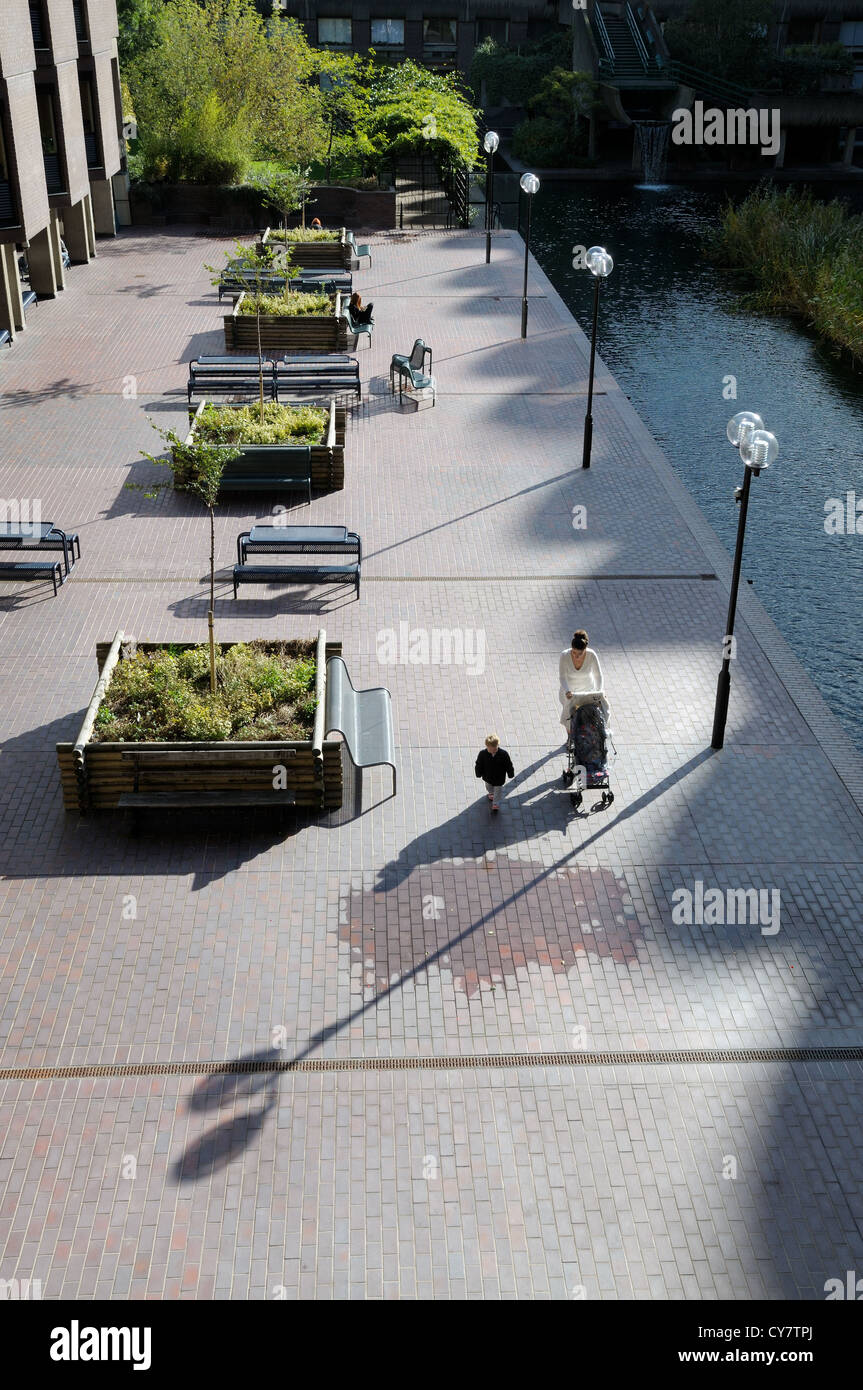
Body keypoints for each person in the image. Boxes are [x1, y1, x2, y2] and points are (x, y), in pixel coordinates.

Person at [559, 629, 611, 733]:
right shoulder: (564, 655)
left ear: (585, 649)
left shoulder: (591, 655)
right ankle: (570, 738)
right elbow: (562, 677)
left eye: (580, 653)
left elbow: (598, 675)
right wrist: (567, 691)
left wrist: (599, 691)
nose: (576, 656)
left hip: (587, 691)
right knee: (569, 717)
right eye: (574, 652)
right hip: (570, 692)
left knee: (590, 716)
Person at [474, 733, 515, 814]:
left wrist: (510, 773)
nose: (492, 751)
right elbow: (478, 764)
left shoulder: (503, 754)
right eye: (490, 749)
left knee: (498, 791)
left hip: (499, 778)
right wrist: (478, 773)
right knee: (488, 787)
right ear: (487, 746)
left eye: (494, 749)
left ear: (497, 746)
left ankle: (495, 803)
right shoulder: (482, 754)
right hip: (487, 777)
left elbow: (508, 764)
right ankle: (491, 793)